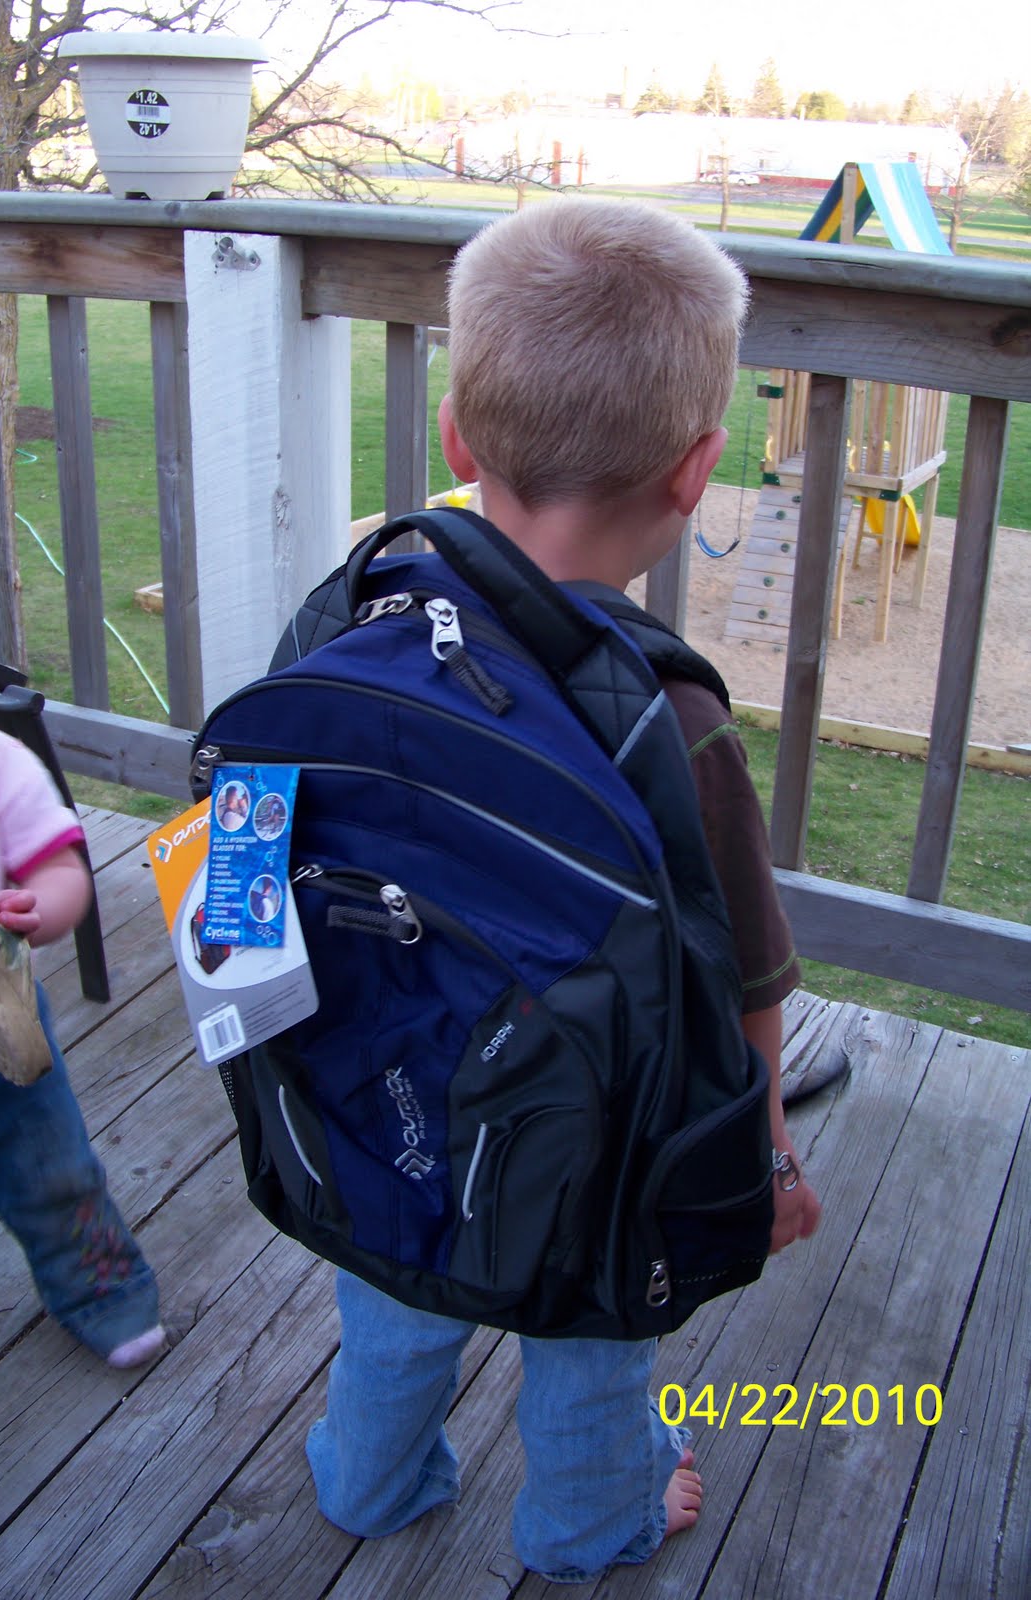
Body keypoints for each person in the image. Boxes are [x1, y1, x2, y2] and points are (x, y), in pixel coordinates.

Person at [305, 198, 821, 1583]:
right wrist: (760, 1155)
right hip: (597, 1150)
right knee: (593, 1350)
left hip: (391, 1111)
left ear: (458, 438)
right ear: (696, 470)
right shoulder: (667, 720)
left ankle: (365, 1484)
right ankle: (591, 1521)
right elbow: (748, 986)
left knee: (393, 1306)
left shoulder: (358, 626)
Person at [0, 567, 166, 1368]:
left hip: (3, 1046)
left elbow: (61, 865)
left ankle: (101, 1288)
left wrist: (41, 907)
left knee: (58, 1182)